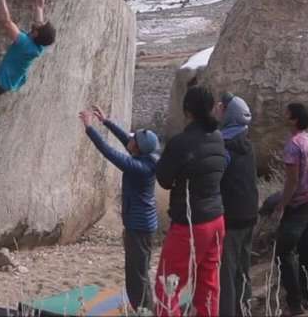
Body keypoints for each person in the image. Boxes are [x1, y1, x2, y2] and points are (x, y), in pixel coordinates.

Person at [154, 85, 228, 317]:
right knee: (208, 285)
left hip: (190, 223)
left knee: (167, 287)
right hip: (217, 219)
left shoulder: (180, 142)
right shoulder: (217, 137)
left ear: (187, 110)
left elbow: (164, 180)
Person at [80, 105, 160, 312]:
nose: (129, 141)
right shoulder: (147, 157)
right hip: (142, 226)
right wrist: (106, 121)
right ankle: (146, 308)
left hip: (139, 227)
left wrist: (89, 128)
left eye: (134, 141)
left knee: (136, 275)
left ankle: (144, 310)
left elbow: (109, 152)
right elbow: (127, 141)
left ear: (138, 148)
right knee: (139, 272)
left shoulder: (139, 168)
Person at [272, 102, 308, 316]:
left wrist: (281, 205)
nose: (284, 114)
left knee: (284, 252)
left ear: (294, 119)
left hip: (296, 204)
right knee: (307, 249)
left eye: (287, 112)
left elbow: (292, 181)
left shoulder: (293, 145)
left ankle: (295, 303)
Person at [217, 93, 258, 317]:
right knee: (243, 269)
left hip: (231, 217)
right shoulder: (246, 142)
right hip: (250, 214)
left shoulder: (224, 145)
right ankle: (245, 310)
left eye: (222, 108)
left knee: (228, 271)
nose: (218, 110)